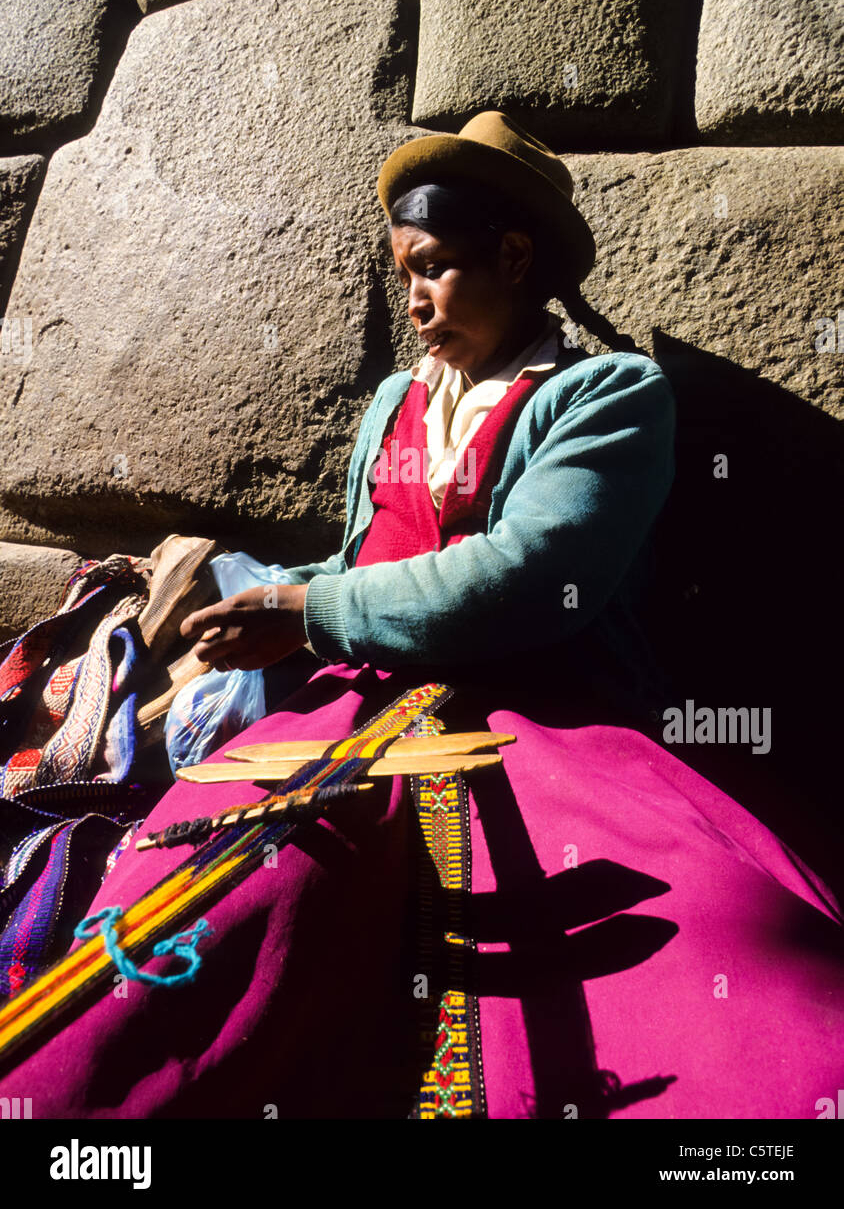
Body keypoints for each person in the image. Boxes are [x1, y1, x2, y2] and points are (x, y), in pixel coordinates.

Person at [0, 113, 840, 1120]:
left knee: (718, 952)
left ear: (514, 255)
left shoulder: (607, 397)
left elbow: (530, 575)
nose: (413, 299)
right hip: (352, 710)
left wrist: (306, 608)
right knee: (227, 893)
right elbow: (364, 563)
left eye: (434, 266)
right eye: (403, 270)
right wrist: (247, 594)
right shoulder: (396, 403)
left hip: (547, 714)